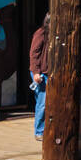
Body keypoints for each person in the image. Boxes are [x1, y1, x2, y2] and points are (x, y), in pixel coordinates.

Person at [29, 13, 49, 141]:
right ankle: (39, 131)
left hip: (49, 72)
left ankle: (46, 129)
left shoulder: (54, 34)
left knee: (48, 102)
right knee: (42, 103)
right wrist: (36, 72)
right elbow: (34, 53)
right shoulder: (41, 33)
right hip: (41, 73)